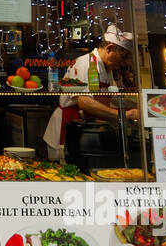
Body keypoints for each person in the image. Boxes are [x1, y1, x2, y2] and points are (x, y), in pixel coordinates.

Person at [42, 26, 140, 161]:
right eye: (123, 57)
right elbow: (84, 102)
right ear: (109, 48)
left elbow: (107, 98)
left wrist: (135, 105)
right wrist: (124, 115)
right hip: (68, 130)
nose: (124, 63)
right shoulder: (86, 64)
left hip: (86, 133)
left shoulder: (107, 69)